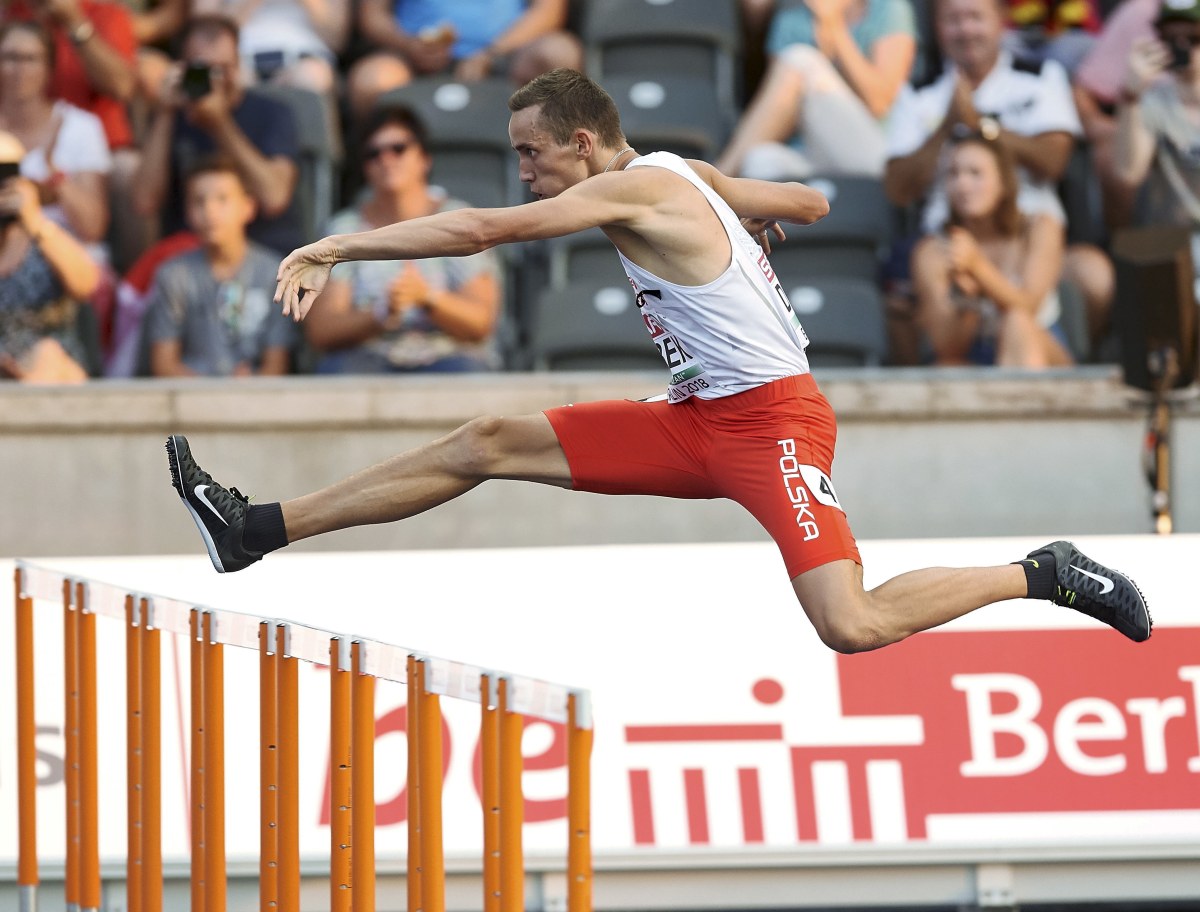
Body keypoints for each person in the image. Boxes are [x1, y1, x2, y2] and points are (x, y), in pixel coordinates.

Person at [166, 68, 1151, 655]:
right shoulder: (682, 171)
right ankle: (253, 528)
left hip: (774, 425)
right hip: (698, 416)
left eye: (531, 154)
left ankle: (1041, 572)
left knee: (849, 625)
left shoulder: (635, 190)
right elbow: (810, 202)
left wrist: (335, 245)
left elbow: (478, 231)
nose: (524, 171)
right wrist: (748, 218)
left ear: (581, 144)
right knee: (484, 441)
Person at [882, 0, 1113, 359]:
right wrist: (946, 127)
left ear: (1001, 21)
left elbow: (1055, 160)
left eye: (975, 17)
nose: (965, 29)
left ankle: (1080, 357)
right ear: (937, 28)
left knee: (1087, 278)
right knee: (923, 322)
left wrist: (982, 127)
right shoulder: (919, 91)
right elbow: (896, 187)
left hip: (1027, 232)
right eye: (953, 20)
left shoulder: (1038, 75)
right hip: (949, 233)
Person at [303, 104, 503, 374]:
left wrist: (427, 298)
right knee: (336, 372)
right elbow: (323, 330)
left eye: (398, 148)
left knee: (471, 372)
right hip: (368, 356)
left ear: (424, 158)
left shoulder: (459, 221)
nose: (386, 159)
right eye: (373, 153)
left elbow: (480, 323)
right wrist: (380, 314)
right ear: (365, 168)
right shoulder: (344, 229)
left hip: (448, 355)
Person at [132, 14, 303, 256]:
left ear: (238, 65)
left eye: (224, 69)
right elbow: (144, 202)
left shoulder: (273, 112)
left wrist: (220, 124)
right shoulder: (168, 117)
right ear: (182, 69)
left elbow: (274, 197)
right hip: (190, 256)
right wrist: (165, 113)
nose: (216, 80)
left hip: (265, 251)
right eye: (204, 70)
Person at [911, 130, 1074, 366]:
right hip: (975, 352)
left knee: (1017, 322)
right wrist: (966, 300)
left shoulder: (1040, 227)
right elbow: (947, 346)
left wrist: (977, 267)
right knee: (946, 367)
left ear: (1004, 181)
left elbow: (1028, 306)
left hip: (1039, 345)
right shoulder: (931, 251)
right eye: (953, 173)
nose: (962, 184)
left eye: (975, 173)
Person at [716, 0, 918, 180]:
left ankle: (717, 179)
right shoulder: (791, 17)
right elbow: (777, 115)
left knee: (802, 60)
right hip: (808, 152)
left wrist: (834, 27)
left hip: (874, 156)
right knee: (759, 160)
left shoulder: (888, 8)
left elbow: (879, 101)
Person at [142, 155, 295, 377]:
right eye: (199, 201)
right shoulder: (172, 275)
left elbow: (277, 365)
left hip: (255, 395)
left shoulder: (275, 273)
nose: (210, 211)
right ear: (187, 211)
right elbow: (164, 364)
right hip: (191, 395)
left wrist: (252, 386)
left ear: (248, 207)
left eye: (222, 199)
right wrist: (212, 391)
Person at [347, 0, 583, 120]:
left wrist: (492, 53)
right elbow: (372, 15)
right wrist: (408, 45)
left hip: (509, 55)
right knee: (371, 82)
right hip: (412, 57)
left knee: (558, 54)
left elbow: (549, 10)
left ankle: (553, 183)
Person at [0, 129, 101, 382]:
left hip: (51, 371)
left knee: (47, 354)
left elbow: (86, 284)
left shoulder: (45, 236)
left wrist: (35, 221)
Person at [1111, 0, 1200, 231]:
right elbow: (1129, 173)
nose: (1182, 46)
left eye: (1194, 38)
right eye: (1169, 39)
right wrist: (1131, 95)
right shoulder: (1151, 101)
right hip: (1176, 237)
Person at [189, 0, 351, 96]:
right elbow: (204, 34)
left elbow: (337, 41)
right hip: (238, 57)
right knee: (231, 81)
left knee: (311, 77)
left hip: (306, 57)